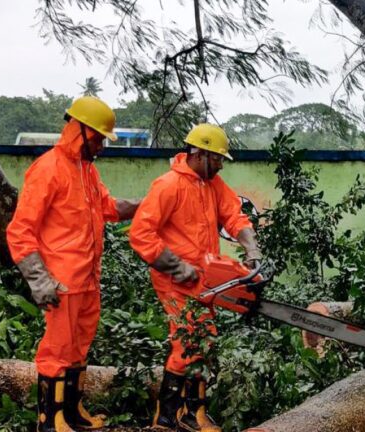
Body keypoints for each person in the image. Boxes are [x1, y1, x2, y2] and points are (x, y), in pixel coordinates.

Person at [6, 96, 141, 432]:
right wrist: (39, 281)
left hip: (88, 279)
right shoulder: (48, 169)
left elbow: (110, 208)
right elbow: (20, 231)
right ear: (79, 131)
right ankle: (50, 421)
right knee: (57, 350)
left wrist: (146, 205)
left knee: (79, 349)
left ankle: (73, 413)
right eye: (97, 139)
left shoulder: (87, 172)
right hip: (61, 281)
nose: (101, 147)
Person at [129, 123, 262, 432]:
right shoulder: (168, 185)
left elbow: (234, 214)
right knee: (186, 342)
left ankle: (194, 414)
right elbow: (141, 234)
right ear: (199, 153)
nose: (219, 164)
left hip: (204, 278)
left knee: (203, 339)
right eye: (216, 159)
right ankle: (167, 418)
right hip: (174, 279)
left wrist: (250, 245)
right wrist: (177, 267)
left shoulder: (212, 185)